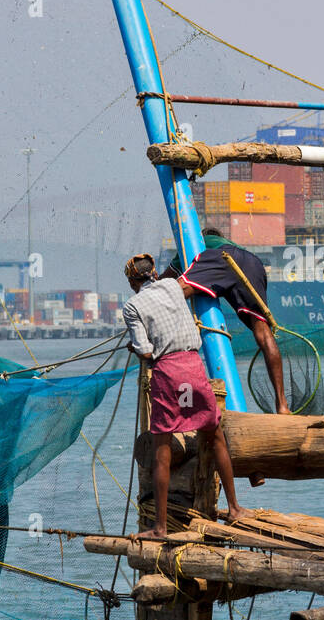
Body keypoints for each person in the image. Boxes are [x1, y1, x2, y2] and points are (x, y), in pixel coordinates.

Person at [121, 253, 247, 539]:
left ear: (132, 281)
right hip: (192, 366)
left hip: (168, 373)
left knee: (162, 449)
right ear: (154, 273)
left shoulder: (132, 306)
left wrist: (136, 348)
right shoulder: (172, 286)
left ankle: (161, 528)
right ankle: (236, 508)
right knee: (214, 434)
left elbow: (145, 351)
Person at [162, 228, 290, 414]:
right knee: (263, 332)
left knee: (175, 291)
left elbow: (168, 277)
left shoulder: (195, 242)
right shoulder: (233, 245)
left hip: (221, 258)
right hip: (254, 264)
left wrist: (154, 285)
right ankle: (282, 404)